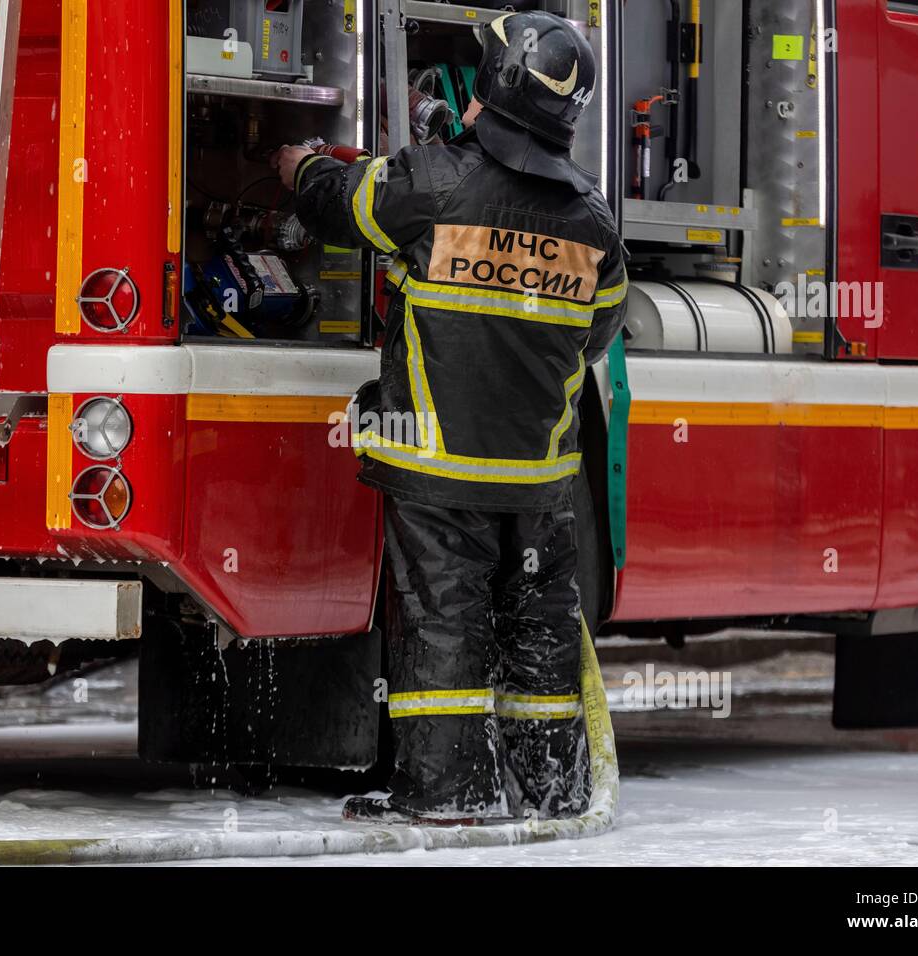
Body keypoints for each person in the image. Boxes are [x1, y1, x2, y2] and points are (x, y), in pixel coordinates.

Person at [272, 10, 628, 824]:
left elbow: (345, 205)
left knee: (444, 628)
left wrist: (301, 167)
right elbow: (599, 333)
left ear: (498, 86)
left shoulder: (432, 183)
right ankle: (550, 794)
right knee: (538, 637)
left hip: (438, 471)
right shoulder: (595, 224)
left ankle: (446, 797)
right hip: (540, 482)